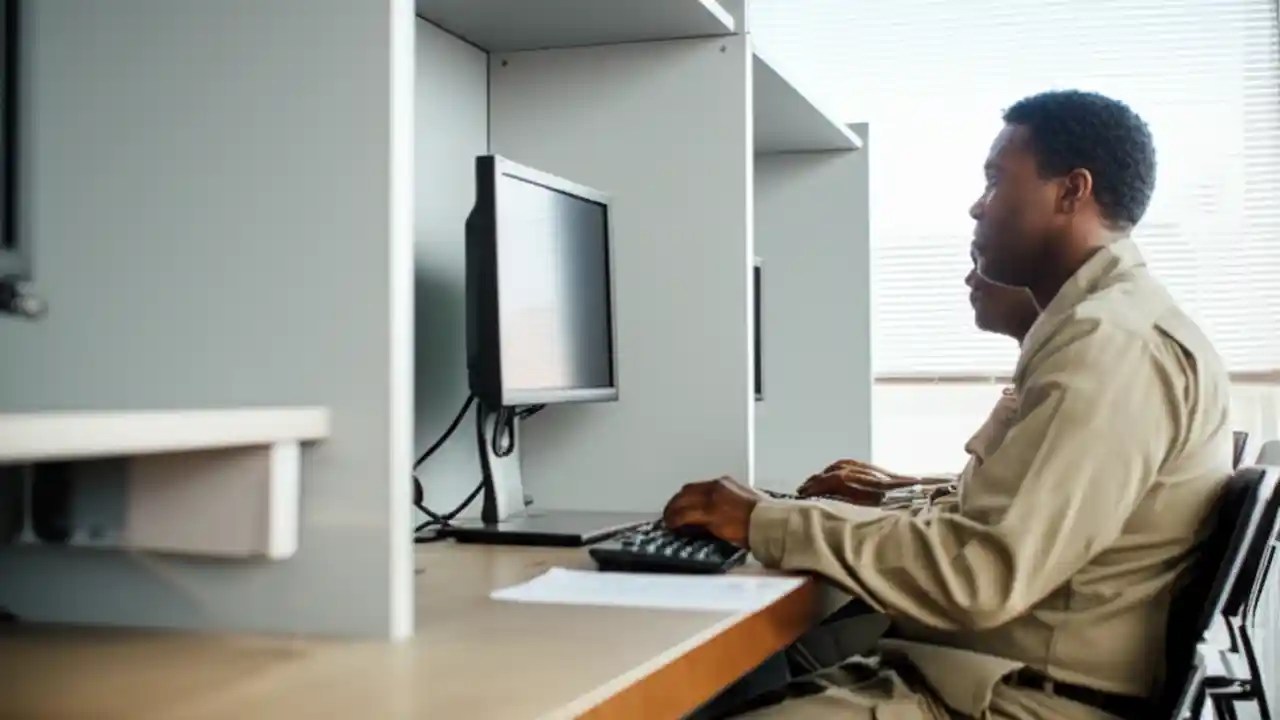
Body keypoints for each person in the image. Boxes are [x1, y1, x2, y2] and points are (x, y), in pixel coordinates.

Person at [664, 90, 1232, 719]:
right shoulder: (1102, 329)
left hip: (1012, 699)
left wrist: (763, 521)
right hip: (994, 674)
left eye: (995, 181)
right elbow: (997, 524)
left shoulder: (1110, 346)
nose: (977, 205)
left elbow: (980, 575)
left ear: (1072, 192)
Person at [798, 253, 1039, 506]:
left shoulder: (1054, 384)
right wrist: (891, 484)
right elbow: (972, 487)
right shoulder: (1033, 372)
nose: (969, 279)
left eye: (982, 263)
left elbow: (976, 513)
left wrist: (884, 492)